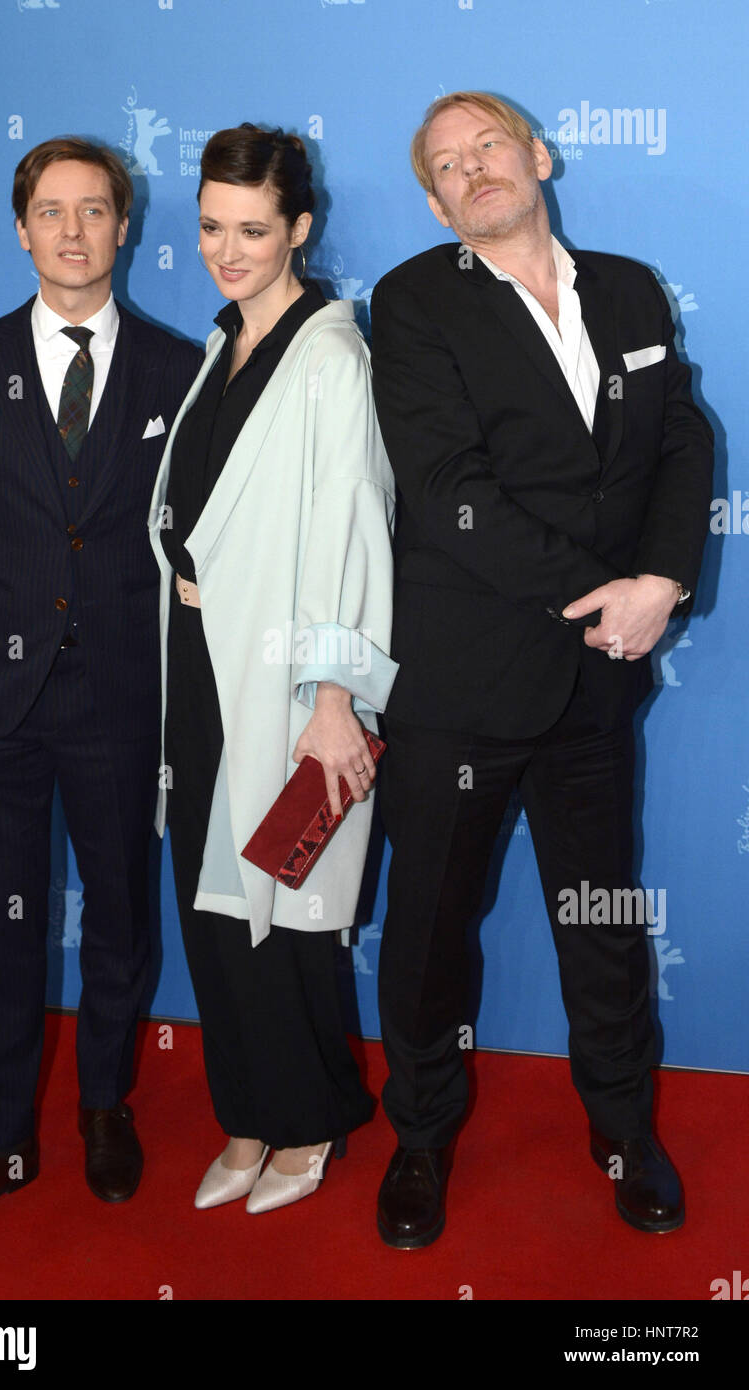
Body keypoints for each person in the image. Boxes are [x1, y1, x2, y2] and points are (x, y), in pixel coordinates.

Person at [369, 92, 713, 1249]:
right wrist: (604, 596)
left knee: (603, 918)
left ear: (540, 155)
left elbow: (683, 438)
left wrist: (661, 580)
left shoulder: (630, 287)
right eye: (447, 166)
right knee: (427, 932)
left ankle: (624, 1131)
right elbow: (453, 495)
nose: (473, 173)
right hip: (463, 688)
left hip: (598, 685)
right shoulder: (415, 303)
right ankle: (418, 1140)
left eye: (489, 148)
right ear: (432, 199)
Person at [0, 137, 202, 1253]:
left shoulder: (180, 366)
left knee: (123, 917)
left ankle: (105, 1105)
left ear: (125, 228)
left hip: (126, 698)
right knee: (3, 927)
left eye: (93, 210)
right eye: (49, 211)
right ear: (21, 230)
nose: (72, 230)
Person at [148, 124, 397, 1213]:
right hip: (199, 665)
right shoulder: (223, 345)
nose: (228, 249)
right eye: (211, 226)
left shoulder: (330, 357)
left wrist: (335, 700)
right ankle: (245, 1117)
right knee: (211, 905)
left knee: (285, 907)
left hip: (288, 681)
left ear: (300, 227)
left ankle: (313, 1125)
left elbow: (356, 533)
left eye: (253, 229)